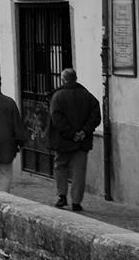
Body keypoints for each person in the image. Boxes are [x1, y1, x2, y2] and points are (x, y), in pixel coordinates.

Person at [48, 68, 102, 212]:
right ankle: (77, 202)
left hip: (63, 140)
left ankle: (62, 196)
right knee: (79, 171)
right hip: (82, 142)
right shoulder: (88, 96)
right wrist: (84, 132)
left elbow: (56, 118)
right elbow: (96, 116)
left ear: (63, 79)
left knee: (60, 167)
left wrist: (71, 133)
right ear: (76, 78)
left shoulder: (57, 96)